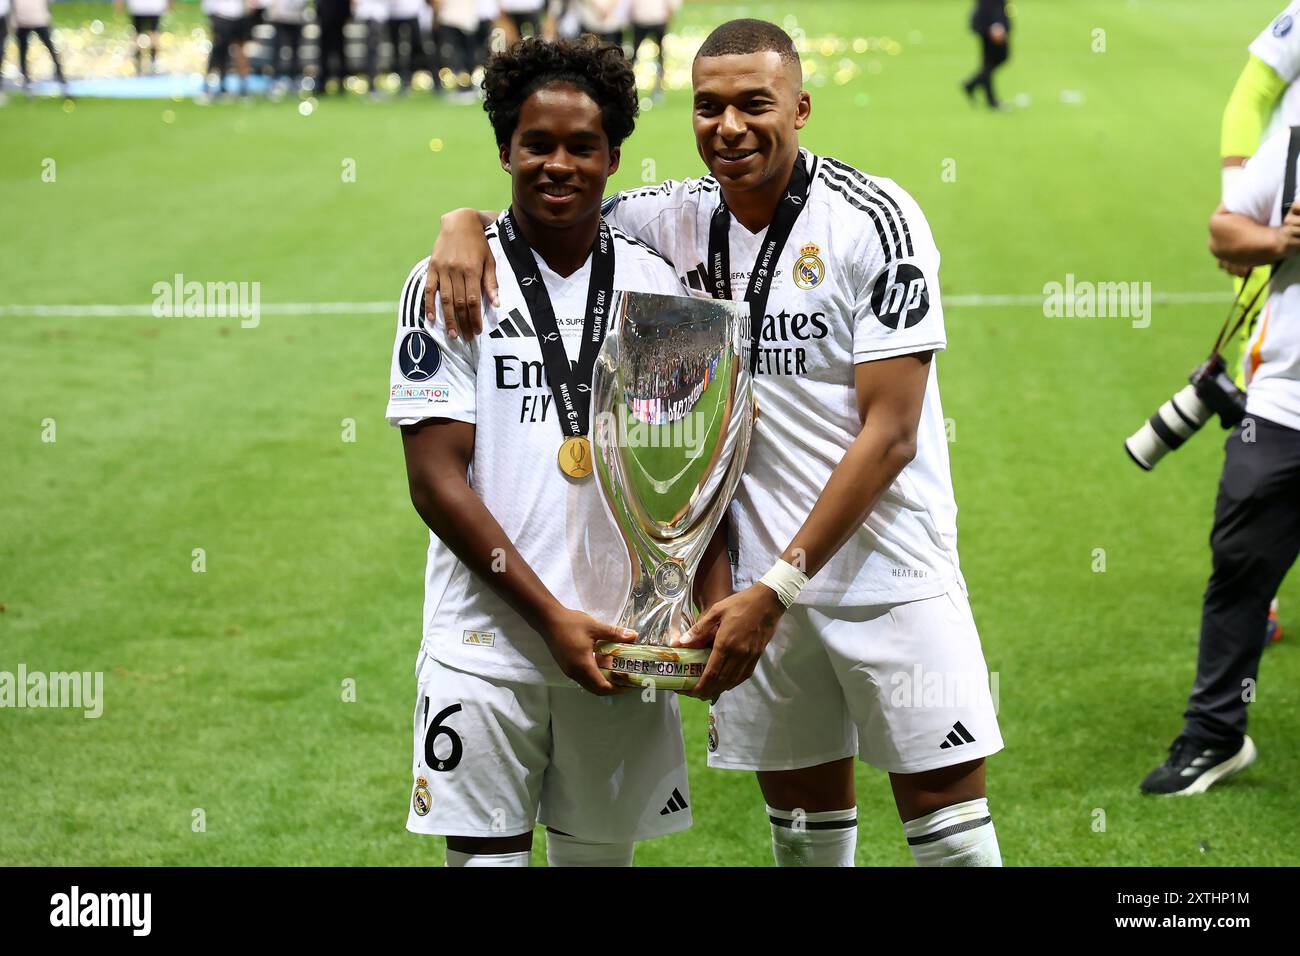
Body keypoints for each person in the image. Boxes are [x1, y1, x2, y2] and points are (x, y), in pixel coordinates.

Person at [424, 19, 1004, 867]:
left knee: (952, 845)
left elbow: (892, 436)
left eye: (754, 104)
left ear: (801, 107)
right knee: (806, 847)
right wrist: (462, 222)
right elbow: (554, 196)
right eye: (708, 107)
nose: (729, 127)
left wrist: (777, 586)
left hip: (888, 574)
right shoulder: (668, 220)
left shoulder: (874, 219)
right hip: (754, 604)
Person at [389, 35, 695, 867]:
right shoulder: (451, 281)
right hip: (483, 649)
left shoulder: (657, 288)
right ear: (503, 149)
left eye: (581, 146)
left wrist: (686, 612)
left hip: (615, 648)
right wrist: (547, 617)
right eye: (537, 144)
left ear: (614, 154)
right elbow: (433, 479)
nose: (558, 164)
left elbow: (679, 477)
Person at [1139, 131, 1300, 796]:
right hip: (1283, 406)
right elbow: (1224, 232)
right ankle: (1215, 736)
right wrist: (1279, 240)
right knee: (1238, 573)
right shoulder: (1295, 148)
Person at [1216, 1, 1300, 647]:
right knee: (1269, 406)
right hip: (1283, 203)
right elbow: (1253, 90)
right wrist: (1247, 202)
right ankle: (1261, 584)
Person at [961, 0, 1009, 110]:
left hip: (992, 21)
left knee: (990, 61)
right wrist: (995, 25)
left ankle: (974, 86)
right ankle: (977, 88)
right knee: (992, 60)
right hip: (990, 24)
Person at [13, 0, 69, 95]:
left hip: (39, 19)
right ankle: (25, 78)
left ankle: (60, 75)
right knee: (23, 51)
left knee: (50, 48)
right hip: (23, 21)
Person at [201, 0, 251, 98]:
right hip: (221, 15)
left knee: (240, 50)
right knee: (219, 51)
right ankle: (210, 85)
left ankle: (242, 85)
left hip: (239, 16)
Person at [630, 0, 678, 99]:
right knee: (633, 56)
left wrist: (668, 16)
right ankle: (628, 86)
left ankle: (658, 87)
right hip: (640, 21)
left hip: (658, 21)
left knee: (660, 57)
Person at [116, 0, 171, 76]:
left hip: (152, 6)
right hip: (140, 6)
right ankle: (139, 63)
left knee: (152, 34)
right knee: (141, 34)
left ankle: (151, 62)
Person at [265, 0, 307, 91]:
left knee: (295, 51)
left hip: (296, 17)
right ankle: (275, 79)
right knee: (277, 49)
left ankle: (294, 78)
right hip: (280, 17)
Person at [389, 0, 426, 93]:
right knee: (396, 51)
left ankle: (411, 77)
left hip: (413, 12)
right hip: (394, 13)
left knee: (416, 47)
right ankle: (402, 80)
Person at [316, 0, 351, 94]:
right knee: (326, 55)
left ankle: (340, 85)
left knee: (339, 54)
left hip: (337, 21)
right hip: (328, 21)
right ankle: (322, 85)